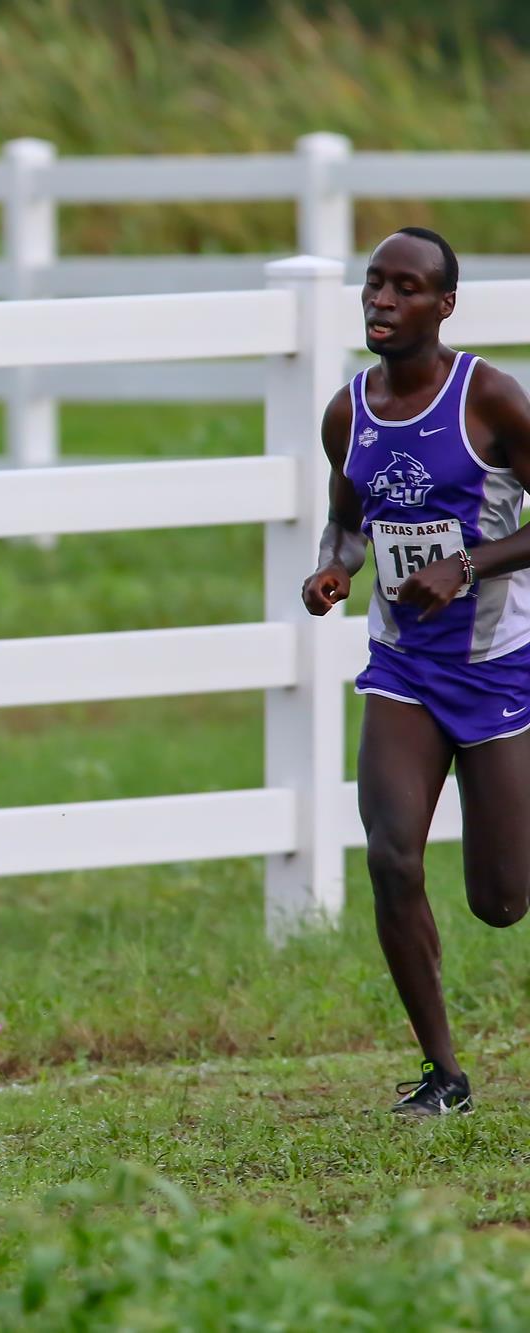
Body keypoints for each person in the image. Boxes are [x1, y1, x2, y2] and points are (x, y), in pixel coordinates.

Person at [301, 227, 530, 1116]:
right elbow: (347, 523)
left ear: (444, 305)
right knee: (393, 860)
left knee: (502, 901)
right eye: (374, 285)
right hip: (402, 666)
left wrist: (467, 566)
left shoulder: (492, 400)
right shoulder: (346, 412)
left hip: (495, 665)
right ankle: (445, 1076)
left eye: (406, 288)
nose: (383, 302)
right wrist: (335, 567)